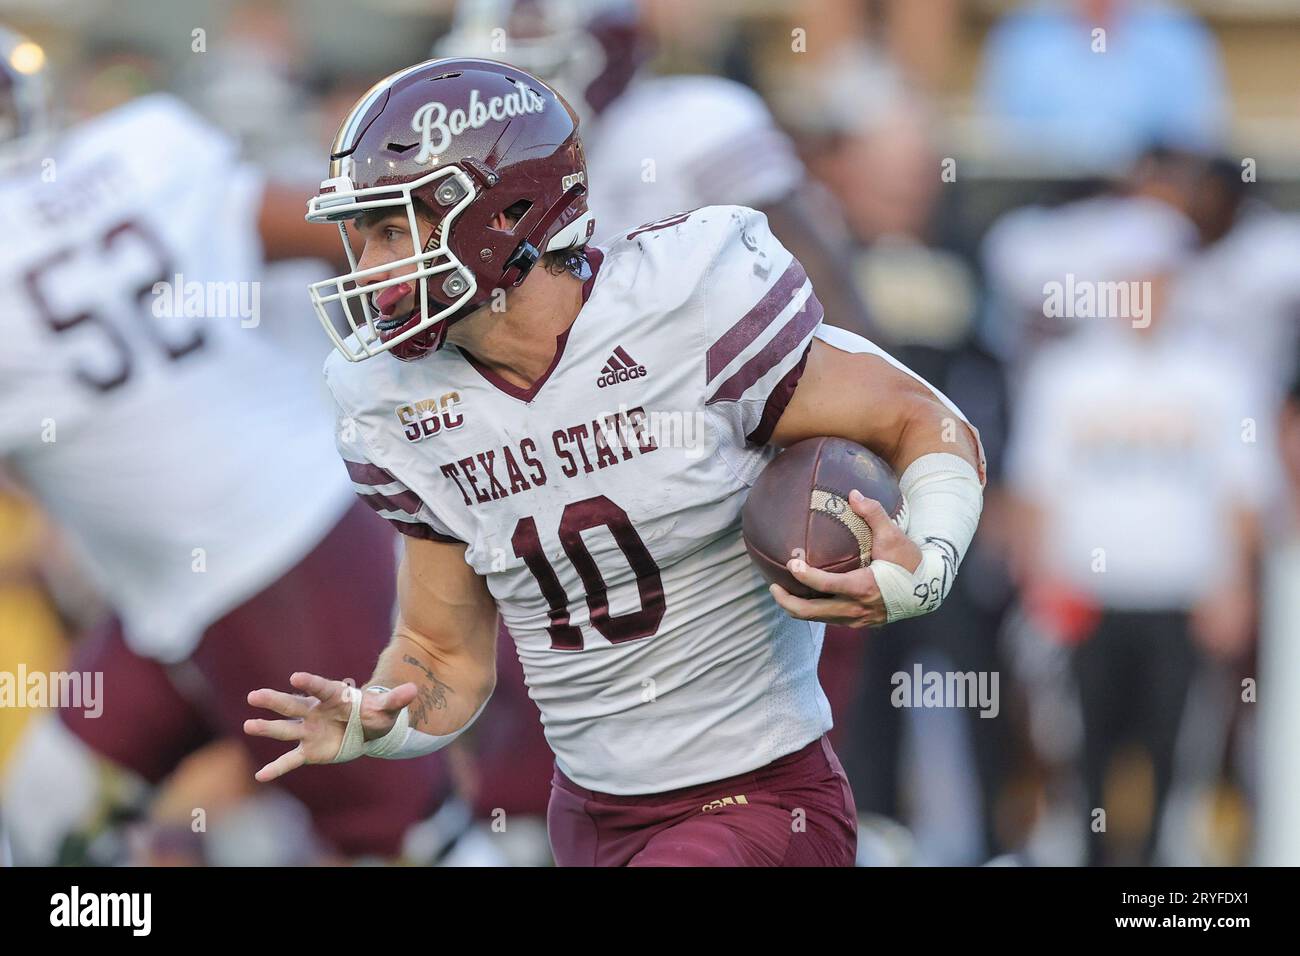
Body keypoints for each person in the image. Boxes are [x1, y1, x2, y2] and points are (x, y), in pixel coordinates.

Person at [245, 57, 984, 867]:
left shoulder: (685, 304)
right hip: (586, 817)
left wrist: (931, 561)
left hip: (756, 802)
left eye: (391, 230)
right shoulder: (395, 402)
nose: (370, 271)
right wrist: (382, 720)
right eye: (361, 238)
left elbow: (922, 420)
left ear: (502, 212)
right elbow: (444, 655)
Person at [0, 27, 449, 864]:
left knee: (406, 845)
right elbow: (333, 233)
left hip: (277, 563)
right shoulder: (143, 146)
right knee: (44, 816)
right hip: (190, 584)